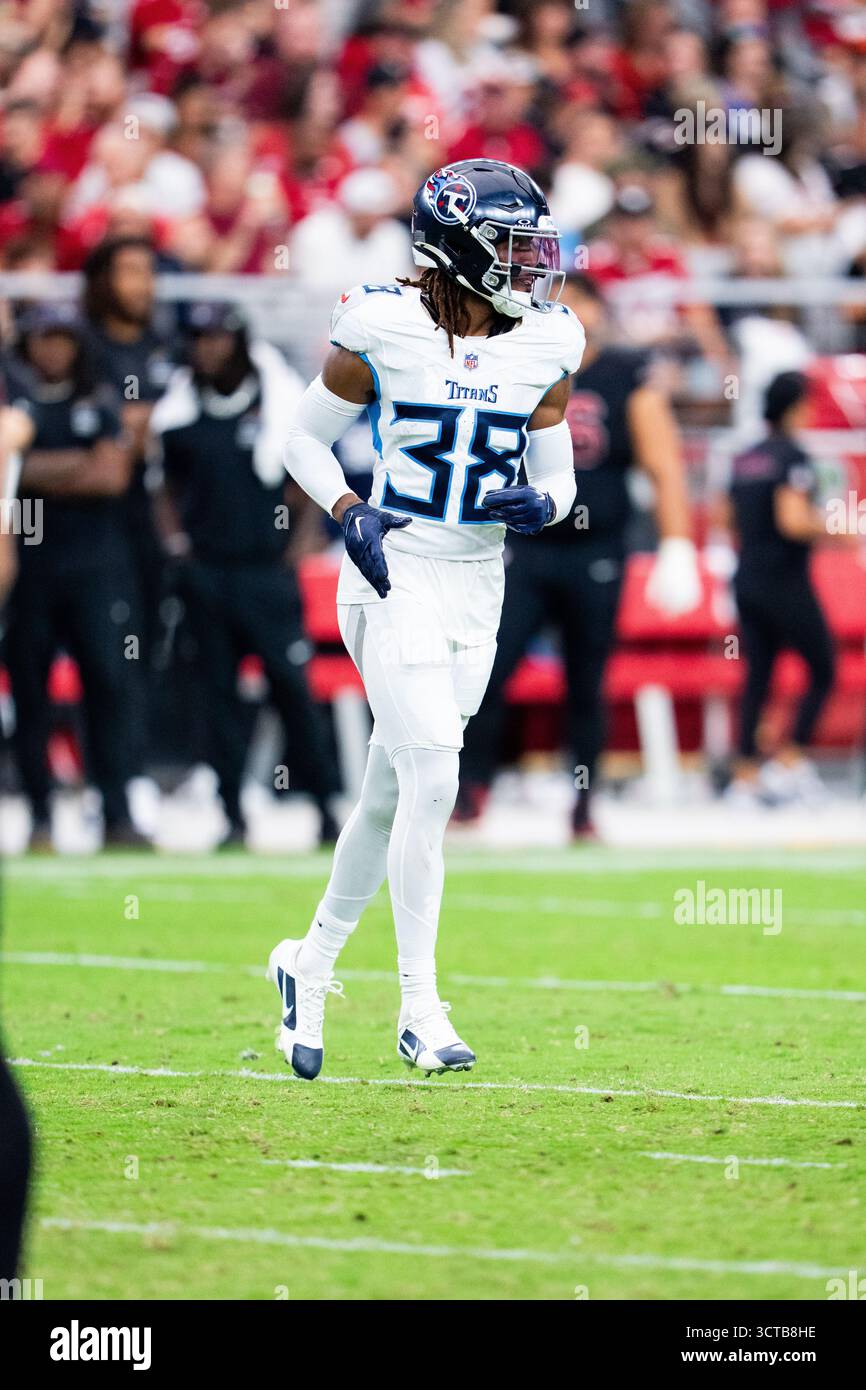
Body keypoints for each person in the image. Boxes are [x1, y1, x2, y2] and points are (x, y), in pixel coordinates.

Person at [268, 158, 583, 1081]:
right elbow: (300, 438)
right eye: (514, 247)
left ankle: (309, 963)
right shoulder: (382, 323)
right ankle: (420, 1007)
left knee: (389, 796)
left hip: (476, 580)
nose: (533, 267)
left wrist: (547, 506)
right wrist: (346, 508)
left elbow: (559, 479)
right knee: (435, 781)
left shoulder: (549, 339)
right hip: (391, 564)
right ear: (457, 247)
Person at [458, 273, 701, 837]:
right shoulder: (518, 363)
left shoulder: (623, 375)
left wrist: (678, 543)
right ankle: (470, 792)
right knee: (487, 672)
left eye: (580, 302)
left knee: (585, 683)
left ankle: (584, 807)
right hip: (524, 544)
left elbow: (663, 462)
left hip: (596, 550)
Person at [149, 303, 341, 849]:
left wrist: (301, 539)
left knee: (292, 691)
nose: (206, 348)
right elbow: (162, 482)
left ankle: (326, 805)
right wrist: (176, 545)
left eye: (216, 338)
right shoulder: (181, 413)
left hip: (266, 572)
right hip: (208, 573)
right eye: (197, 338)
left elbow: (308, 467)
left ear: (238, 341)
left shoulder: (279, 402)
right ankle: (232, 813)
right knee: (218, 697)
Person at [5, 303, 146, 848]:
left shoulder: (98, 400)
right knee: (32, 694)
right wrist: (76, 464)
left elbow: (110, 476)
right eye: (43, 340)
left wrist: (22, 466)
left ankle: (117, 812)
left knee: (108, 686)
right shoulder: (15, 406)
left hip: (96, 570)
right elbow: (90, 468)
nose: (53, 351)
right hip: (30, 567)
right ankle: (40, 816)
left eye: (63, 340)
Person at [725, 371, 844, 806]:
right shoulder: (793, 456)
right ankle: (790, 761)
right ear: (796, 407)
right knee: (823, 668)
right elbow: (793, 521)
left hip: (747, 578)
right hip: (785, 581)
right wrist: (843, 529)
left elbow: (727, 518)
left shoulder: (744, 458)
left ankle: (745, 775)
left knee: (758, 677)